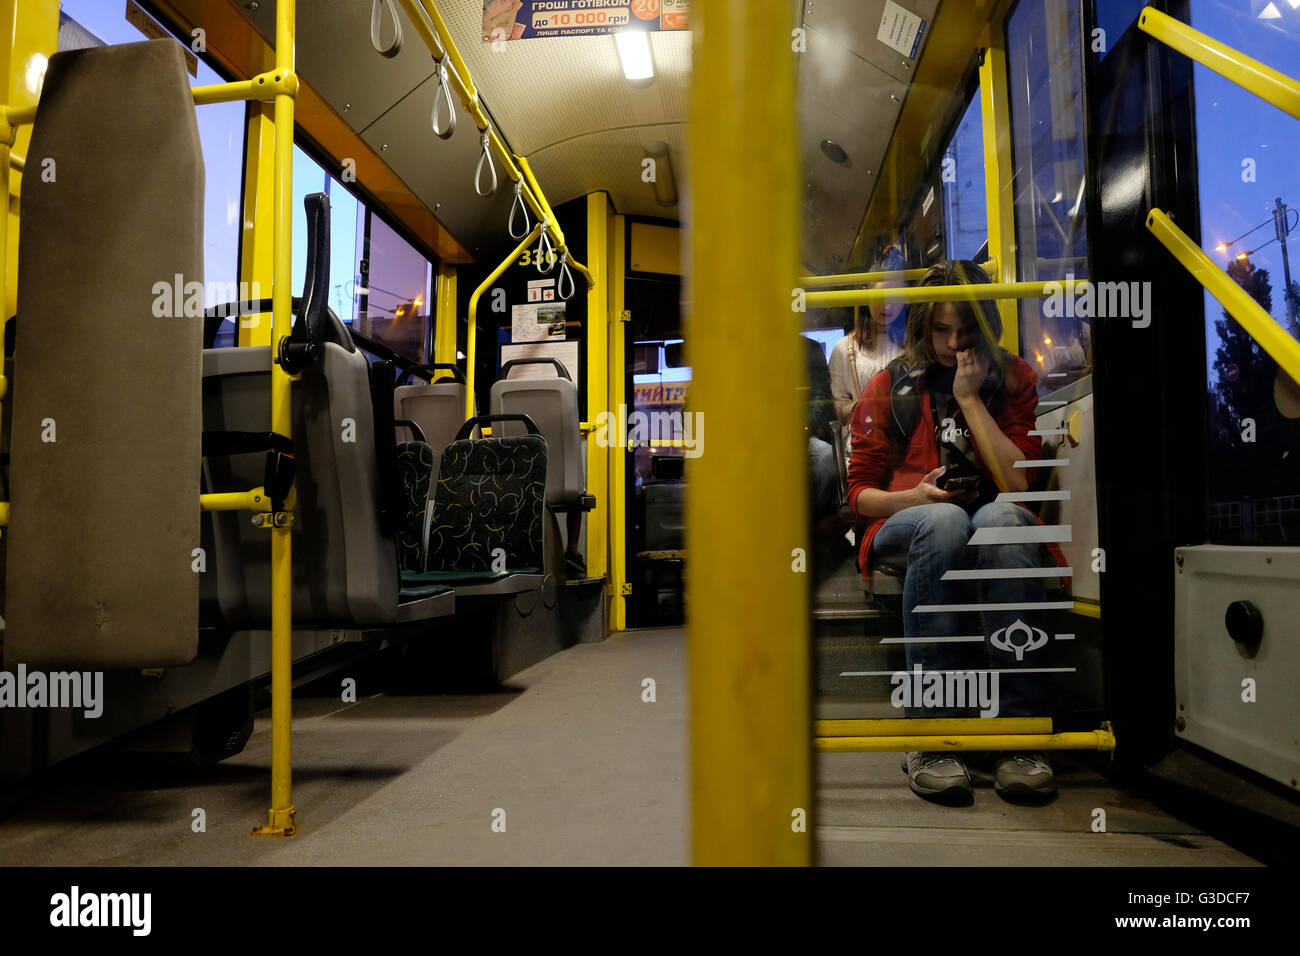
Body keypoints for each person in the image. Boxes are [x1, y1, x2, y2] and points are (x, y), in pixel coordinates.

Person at [846, 260, 1065, 805]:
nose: (951, 344)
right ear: (923, 328)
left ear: (983, 328)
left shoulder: (1015, 379)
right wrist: (914, 496)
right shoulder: (890, 383)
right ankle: (932, 732)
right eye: (940, 331)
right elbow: (859, 496)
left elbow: (1019, 483)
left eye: (965, 332)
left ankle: (1016, 734)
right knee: (943, 520)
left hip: (992, 511)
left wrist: (969, 397)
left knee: (1006, 520)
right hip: (910, 516)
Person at [828, 250, 907, 465]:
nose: (887, 306)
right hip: (863, 446)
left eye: (894, 297)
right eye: (879, 297)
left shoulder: (917, 345)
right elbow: (835, 406)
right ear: (866, 296)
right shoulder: (844, 349)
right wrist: (856, 408)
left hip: (907, 444)